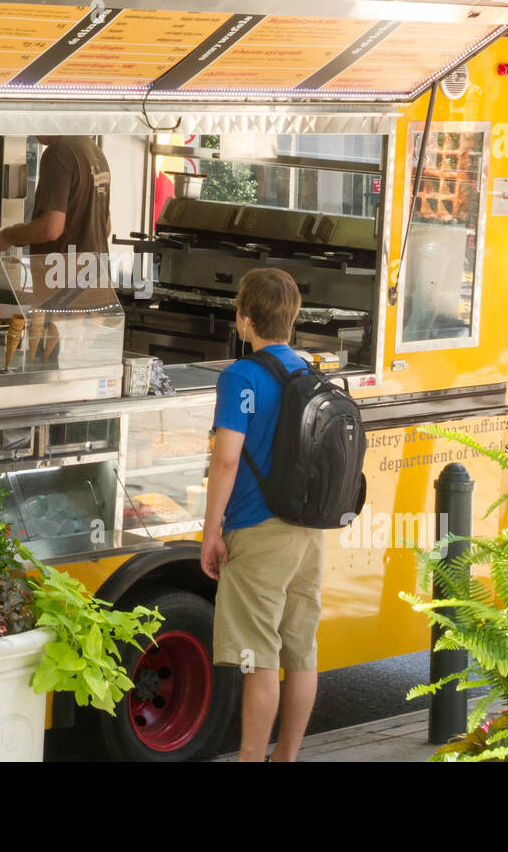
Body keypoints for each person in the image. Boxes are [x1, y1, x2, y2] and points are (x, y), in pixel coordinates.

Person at [201, 267, 323, 763]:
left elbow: (227, 458)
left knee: (257, 659)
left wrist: (211, 531)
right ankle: (285, 757)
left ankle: (252, 758)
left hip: (256, 529)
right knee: (301, 652)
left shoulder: (240, 376)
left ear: (244, 320)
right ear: (292, 318)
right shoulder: (311, 371)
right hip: (308, 530)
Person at [0, 135, 111, 257]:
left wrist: (7, 236)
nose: (34, 132)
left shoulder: (59, 151)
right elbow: (105, 228)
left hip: (65, 272)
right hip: (96, 270)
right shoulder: (94, 150)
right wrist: (27, 234)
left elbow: (51, 229)